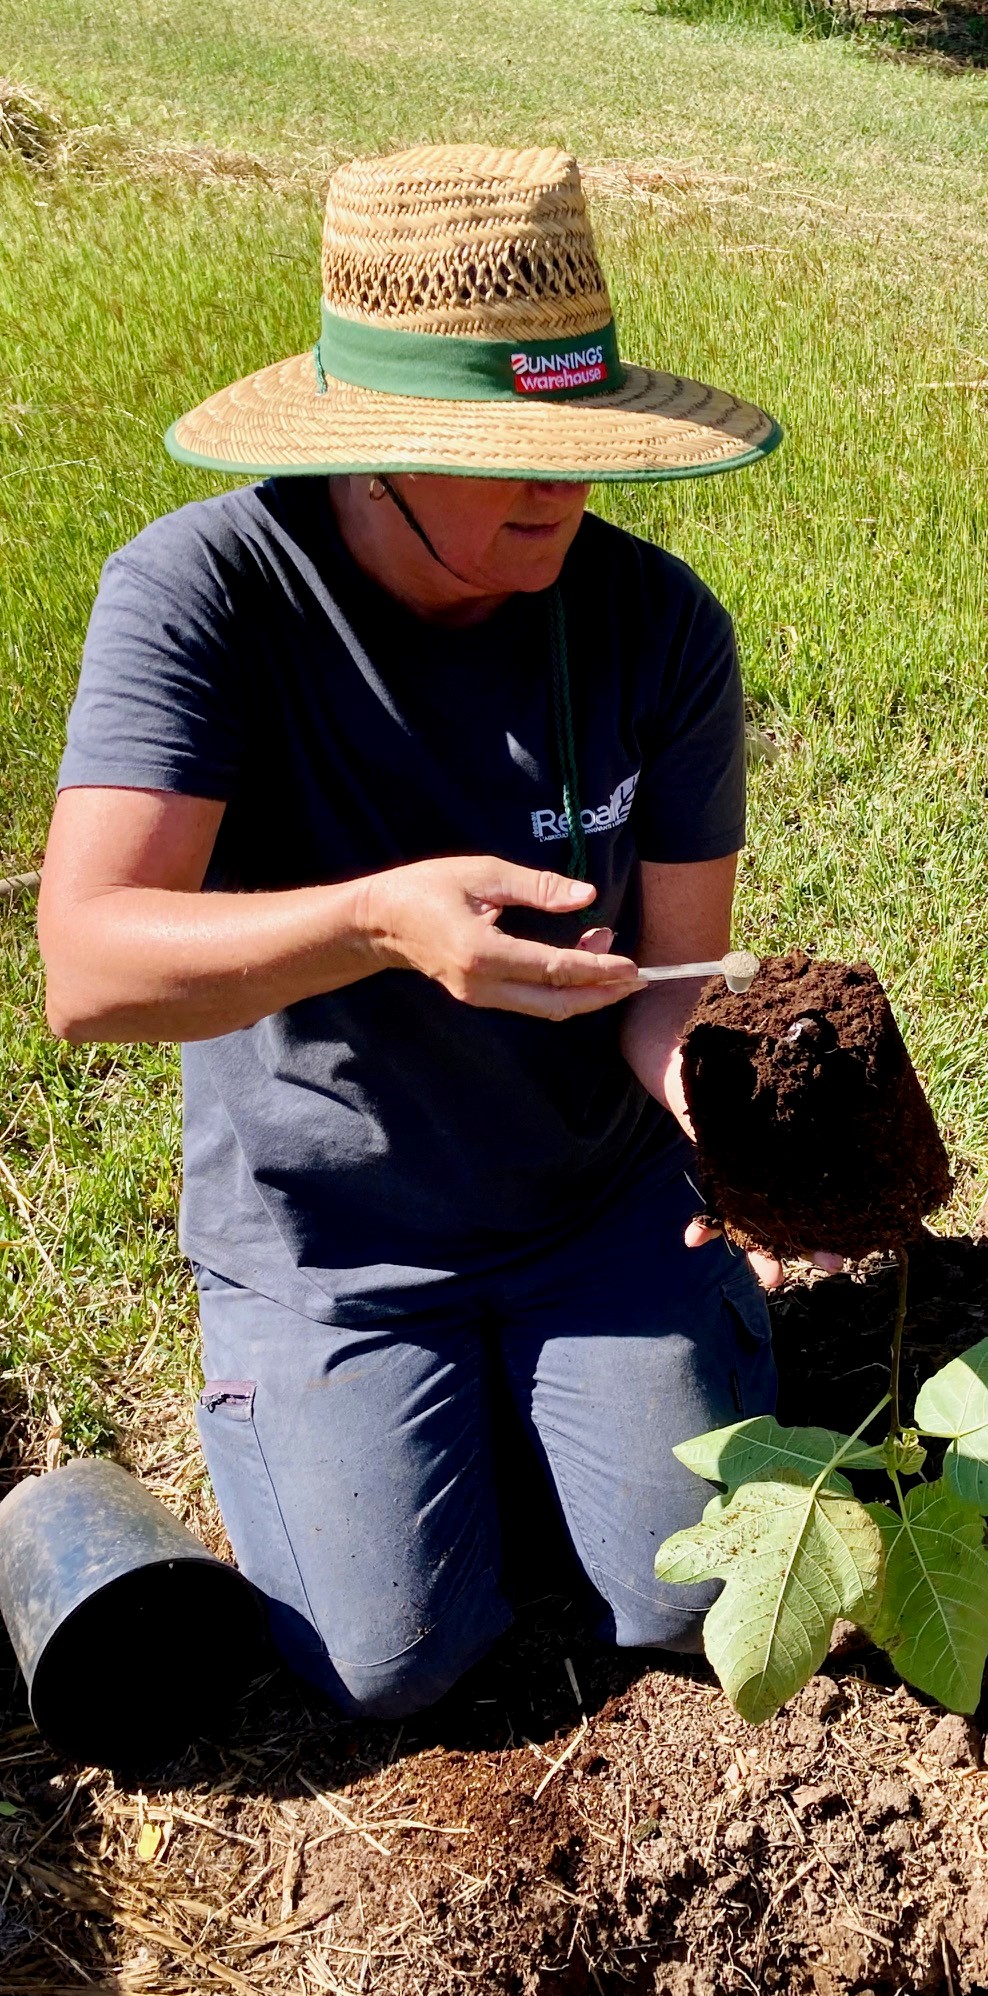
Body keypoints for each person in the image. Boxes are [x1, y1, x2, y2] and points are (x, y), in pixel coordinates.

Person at [36, 143, 794, 1718]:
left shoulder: (655, 627)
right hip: (336, 1240)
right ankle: (376, 1402)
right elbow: (89, 966)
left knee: (695, 1599)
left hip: (587, 1204)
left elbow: (671, 985)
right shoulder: (207, 599)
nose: (562, 491)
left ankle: (568, 1387)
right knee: (390, 1662)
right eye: (503, 451)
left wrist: (739, 1126)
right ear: (368, 453)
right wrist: (380, 923)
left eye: (579, 442)